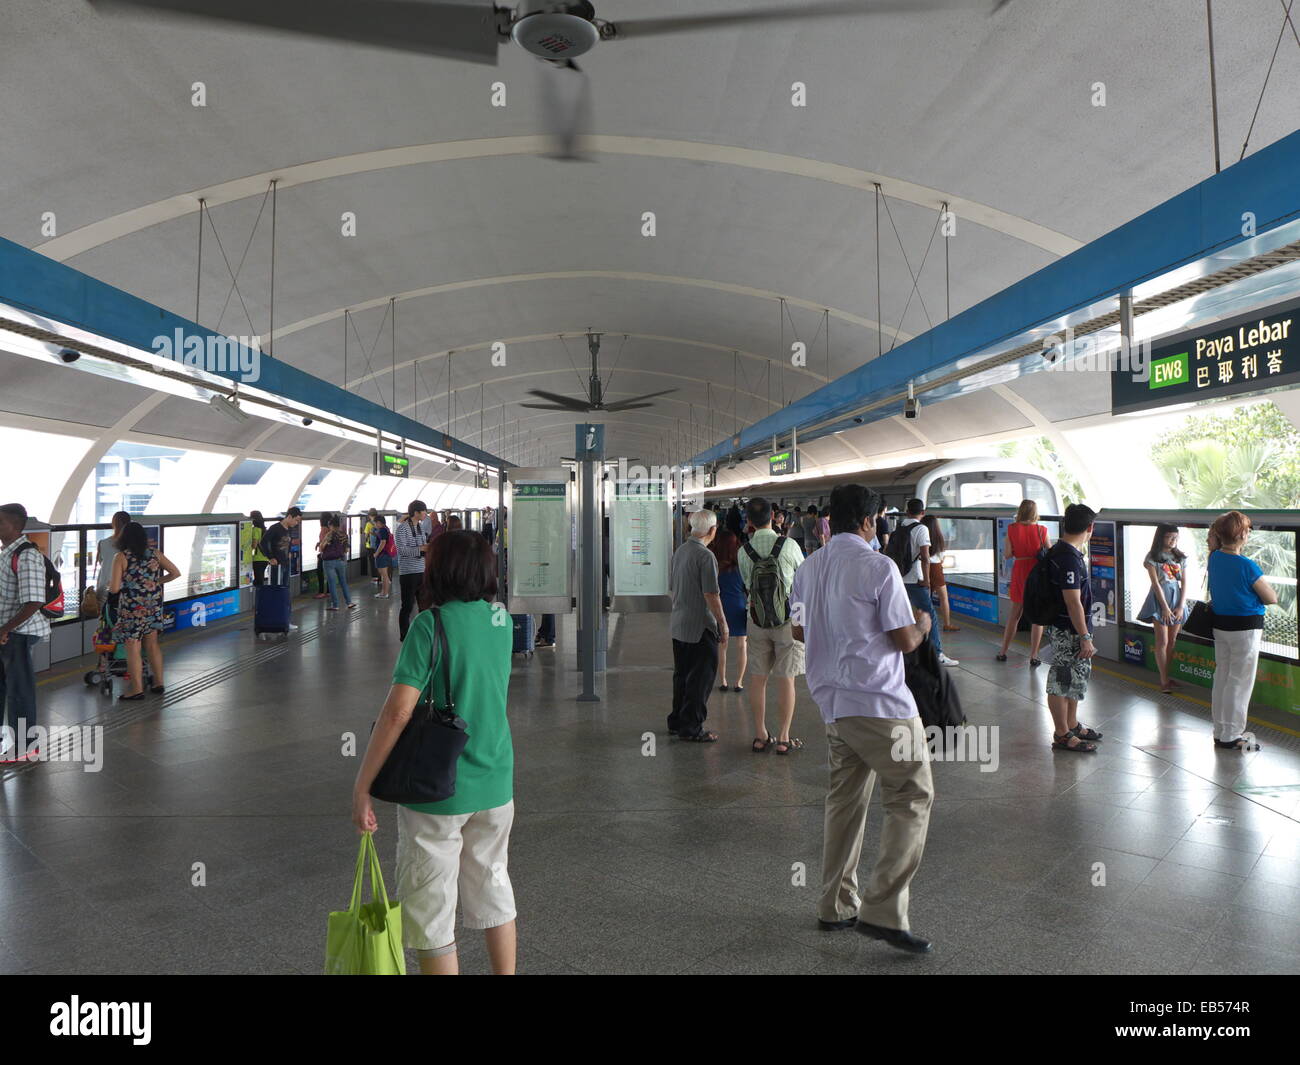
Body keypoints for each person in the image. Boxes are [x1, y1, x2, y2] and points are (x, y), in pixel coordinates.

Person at [351, 530, 516, 975]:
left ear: (438, 570)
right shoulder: (502, 620)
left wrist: (363, 785)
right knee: (494, 888)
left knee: (431, 911)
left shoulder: (430, 625)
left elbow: (397, 713)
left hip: (437, 789)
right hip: (497, 782)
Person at [789, 484, 935, 954]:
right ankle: (883, 911)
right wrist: (925, 625)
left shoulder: (808, 568)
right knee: (913, 793)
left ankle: (835, 904)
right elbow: (904, 640)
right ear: (870, 521)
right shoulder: (878, 567)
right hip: (880, 706)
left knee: (845, 802)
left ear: (832, 518)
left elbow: (797, 628)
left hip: (833, 704)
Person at [737, 497, 805, 754]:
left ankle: (760, 735)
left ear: (749, 521)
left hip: (756, 619)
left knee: (757, 678)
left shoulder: (743, 551)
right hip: (788, 620)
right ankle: (784, 737)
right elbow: (803, 578)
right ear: (774, 516)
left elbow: (747, 584)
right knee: (786, 679)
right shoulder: (789, 546)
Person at [1206, 511, 1277, 751]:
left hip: (1221, 627)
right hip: (1245, 629)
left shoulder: (1214, 558)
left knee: (1223, 677)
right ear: (1242, 534)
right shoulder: (1247, 565)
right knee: (1239, 682)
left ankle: (1220, 731)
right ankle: (1232, 735)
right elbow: (1271, 597)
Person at [1044, 503, 1102, 753]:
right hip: (1068, 629)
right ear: (1090, 528)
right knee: (1061, 678)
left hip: (1071, 628)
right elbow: (1072, 601)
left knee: (1075, 677)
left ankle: (1072, 724)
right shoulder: (1068, 558)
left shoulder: (1063, 551)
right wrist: (1085, 636)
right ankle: (1062, 734)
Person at [668, 509, 728, 742]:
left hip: (679, 623)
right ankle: (692, 727)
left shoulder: (680, 551)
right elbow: (711, 594)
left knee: (681, 675)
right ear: (712, 531)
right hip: (700, 626)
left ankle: (676, 720)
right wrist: (722, 623)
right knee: (700, 679)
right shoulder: (705, 556)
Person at [0, 504, 53, 762]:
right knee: (4, 688)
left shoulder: (26, 555)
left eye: (0, 522)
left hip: (18, 633)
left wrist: (5, 629)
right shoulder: (6, 552)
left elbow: (34, 601)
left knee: (19, 690)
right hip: (6, 632)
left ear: (15, 525)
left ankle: (26, 747)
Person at [109, 520, 180, 701]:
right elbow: (175, 572)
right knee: (152, 644)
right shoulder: (155, 554)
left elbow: (115, 588)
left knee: (133, 647)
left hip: (132, 608)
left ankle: (136, 689)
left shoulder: (121, 557)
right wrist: (155, 583)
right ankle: (158, 683)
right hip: (153, 605)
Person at [894, 499, 958, 666]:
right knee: (930, 615)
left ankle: (905, 652)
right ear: (922, 513)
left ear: (907, 511)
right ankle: (937, 654)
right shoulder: (921, 529)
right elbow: (925, 557)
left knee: (904, 615)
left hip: (900, 577)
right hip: (916, 578)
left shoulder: (900, 527)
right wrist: (927, 581)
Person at [1137, 523, 1190, 693]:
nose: (1173, 540)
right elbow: (1156, 584)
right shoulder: (1152, 557)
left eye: (1175, 537)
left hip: (1176, 599)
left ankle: (1167, 676)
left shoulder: (1180, 557)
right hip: (1160, 600)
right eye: (1169, 537)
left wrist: (1181, 606)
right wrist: (1165, 608)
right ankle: (1163, 680)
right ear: (1161, 537)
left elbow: (1185, 582)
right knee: (1163, 641)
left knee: (1172, 641)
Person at [996, 499, 1048, 665]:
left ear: (1020, 511)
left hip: (1020, 571)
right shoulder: (1042, 530)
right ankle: (1033, 655)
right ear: (1034, 513)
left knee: (1014, 615)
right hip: (1037, 573)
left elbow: (1008, 554)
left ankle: (1003, 651)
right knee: (1037, 617)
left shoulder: (1012, 529)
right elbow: (1049, 552)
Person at [708, 527, 748, 695]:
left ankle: (723, 681)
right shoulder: (741, 566)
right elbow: (747, 587)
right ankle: (738, 682)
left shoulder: (715, 566)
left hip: (721, 607)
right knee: (742, 645)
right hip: (739, 606)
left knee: (722, 645)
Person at [396, 500, 432, 640]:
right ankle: (404, 636)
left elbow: (421, 544)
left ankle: (423, 633)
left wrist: (425, 548)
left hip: (421, 570)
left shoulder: (420, 527)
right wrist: (421, 549)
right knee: (407, 606)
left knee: (424, 604)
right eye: (423, 511)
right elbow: (402, 550)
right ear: (416, 513)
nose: (425, 514)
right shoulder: (402, 528)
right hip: (408, 572)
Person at [921, 514, 959, 633]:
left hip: (923, 568)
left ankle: (924, 624)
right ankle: (947, 624)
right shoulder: (939, 538)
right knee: (943, 598)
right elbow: (942, 557)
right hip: (936, 568)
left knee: (925, 598)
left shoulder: (921, 536)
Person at [321, 514, 355, 612]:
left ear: (331, 525)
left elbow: (322, 547)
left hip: (329, 562)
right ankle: (349, 602)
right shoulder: (344, 534)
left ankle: (335, 605)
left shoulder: (330, 534)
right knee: (343, 582)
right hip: (341, 561)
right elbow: (347, 549)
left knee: (332, 584)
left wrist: (322, 545)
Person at [261, 508, 301, 588]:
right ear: (289, 517)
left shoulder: (289, 529)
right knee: (276, 587)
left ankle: (283, 600)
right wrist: (270, 557)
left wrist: (289, 552)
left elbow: (288, 542)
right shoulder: (275, 528)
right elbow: (263, 542)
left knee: (284, 587)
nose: (296, 523)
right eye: (296, 520)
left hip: (286, 563)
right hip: (277, 564)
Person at [95, 510, 131, 595]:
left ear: (113, 524)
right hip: (125, 588)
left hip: (104, 587)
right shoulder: (132, 545)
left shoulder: (102, 543)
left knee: (104, 607)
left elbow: (102, 563)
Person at [369, 514, 394, 599]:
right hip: (385, 555)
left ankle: (385, 593)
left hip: (382, 555)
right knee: (383, 575)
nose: (375, 525)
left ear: (379, 522)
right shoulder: (386, 529)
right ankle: (383, 592)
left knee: (384, 575)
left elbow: (383, 542)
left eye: (375, 523)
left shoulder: (382, 530)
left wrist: (376, 553)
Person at [243, 511, 271, 587]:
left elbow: (254, 545)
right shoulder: (264, 529)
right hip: (265, 558)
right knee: (260, 579)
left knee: (259, 581)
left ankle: (260, 596)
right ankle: (261, 595)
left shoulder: (256, 529)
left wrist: (245, 550)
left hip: (257, 559)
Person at [313, 515, 334, 599]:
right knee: (329, 573)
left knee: (320, 572)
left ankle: (321, 592)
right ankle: (329, 591)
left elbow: (324, 542)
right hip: (331, 555)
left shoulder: (323, 530)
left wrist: (320, 546)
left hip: (324, 555)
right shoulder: (331, 529)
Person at [361, 509, 378, 584]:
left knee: (372, 562)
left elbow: (366, 535)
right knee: (378, 561)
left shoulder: (368, 524)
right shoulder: (379, 522)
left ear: (369, 515)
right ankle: (380, 577)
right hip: (378, 545)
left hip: (370, 546)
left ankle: (374, 578)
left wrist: (365, 542)